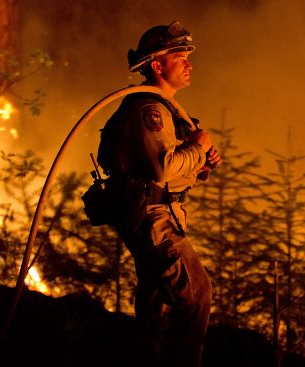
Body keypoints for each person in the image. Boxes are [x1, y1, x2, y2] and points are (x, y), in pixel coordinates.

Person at [96, 21, 223, 366]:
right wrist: (197, 148)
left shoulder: (166, 109)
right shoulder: (148, 110)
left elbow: (171, 170)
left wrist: (201, 160)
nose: (188, 63)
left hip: (160, 213)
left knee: (157, 304)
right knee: (195, 295)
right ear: (157, 65)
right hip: (153, 218)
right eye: (179, 56)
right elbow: (162, 170)